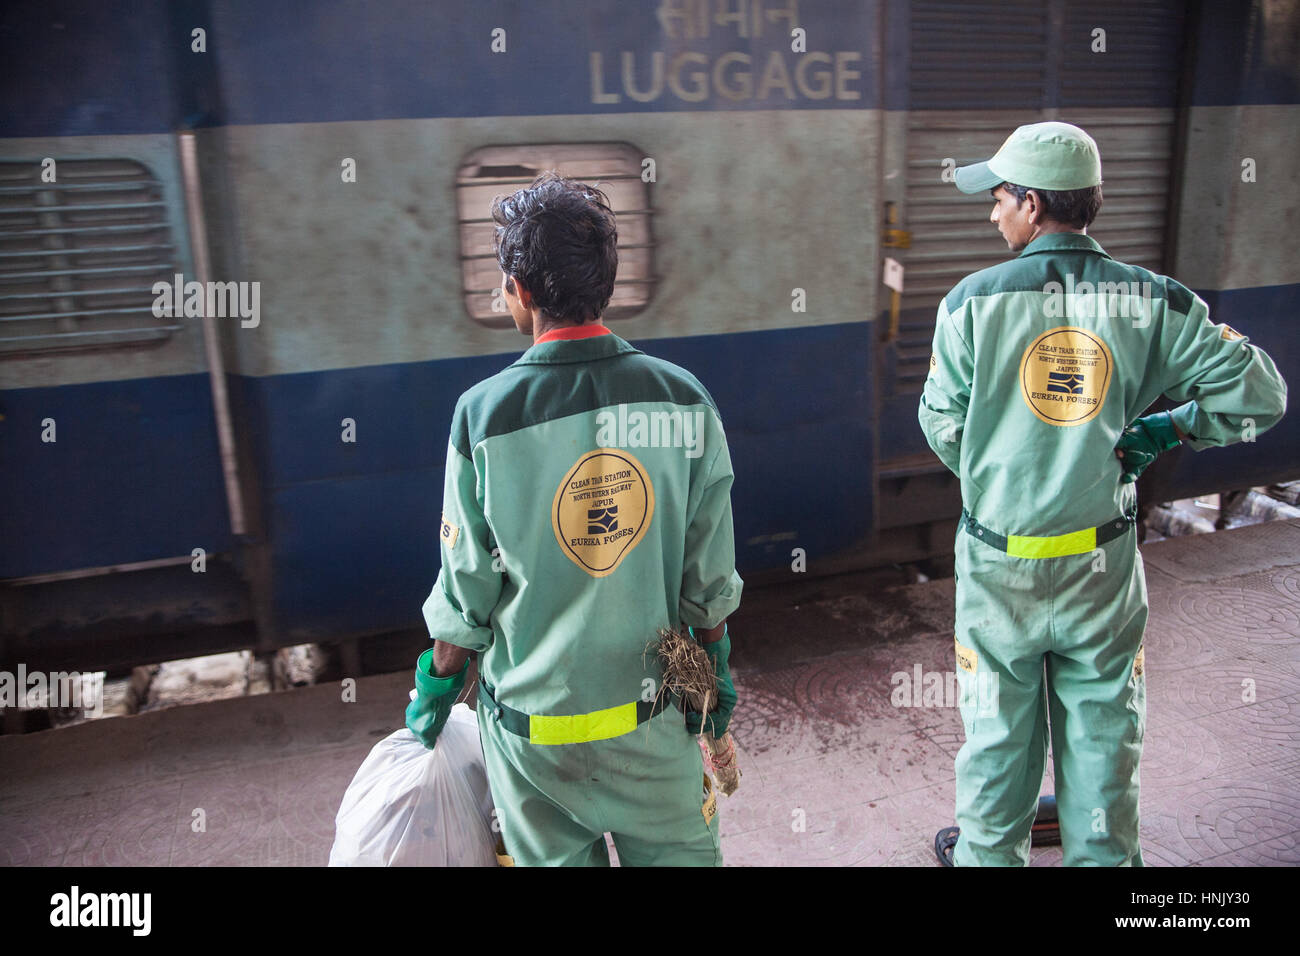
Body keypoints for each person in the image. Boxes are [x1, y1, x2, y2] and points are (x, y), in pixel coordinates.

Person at [919, 122, 1287, 866]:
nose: (993, 214)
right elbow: (1260, 393)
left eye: (998, 199)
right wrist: (1165, 428)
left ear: (1031, 203)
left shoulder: (968, 303)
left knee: (996, 751)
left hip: (1000, 569)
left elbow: (942, 425)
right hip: (1102, 566)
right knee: (1104, 746)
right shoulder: (1155, 300)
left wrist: (1010, 469)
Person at [404, 173, 743, 866]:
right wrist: (716, 673)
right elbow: (706, 581)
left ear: (520, 291)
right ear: (606, 284)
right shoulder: (684, 400)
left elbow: (467, 592)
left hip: (535, 748)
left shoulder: (483, 417)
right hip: (651, 729)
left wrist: (434, 694)